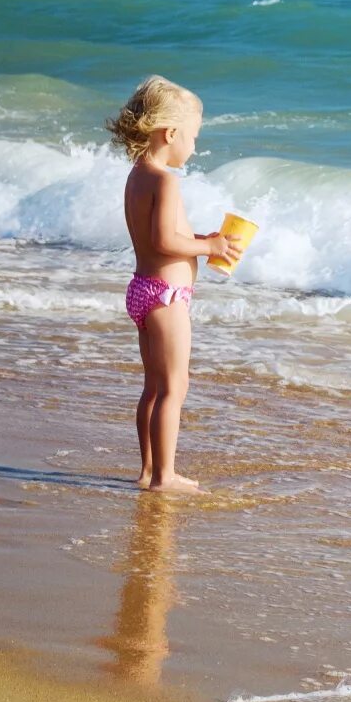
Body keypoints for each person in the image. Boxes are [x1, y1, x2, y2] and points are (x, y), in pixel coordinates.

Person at [107, 76, 242, 494]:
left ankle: (148, 470)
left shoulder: (139, 174)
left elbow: (159, 236)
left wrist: (197, 239)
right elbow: (165, 241)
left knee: (153, 387)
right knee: (174, 388)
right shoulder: (166, 180)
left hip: (144, 291)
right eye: (194, 138)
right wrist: (210, 245)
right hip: (167, 298)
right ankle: (165, 477)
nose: (195, 148)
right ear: (171, 133)